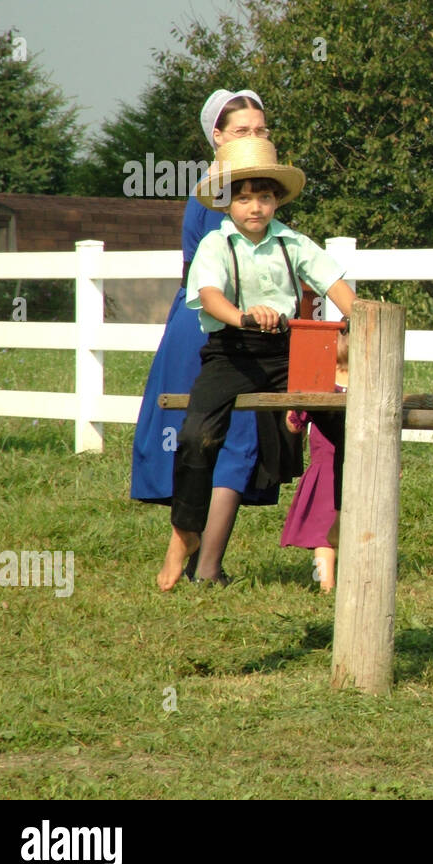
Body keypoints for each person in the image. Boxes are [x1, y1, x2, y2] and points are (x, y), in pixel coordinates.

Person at [156, 136, 356, 589]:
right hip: (232, 350)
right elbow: (208, 295)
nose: (255, 207)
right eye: (244, 198)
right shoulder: (215, 244)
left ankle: (345, 516)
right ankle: (185, 532)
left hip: (288, 350)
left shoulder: (293, 242)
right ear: (227, 203)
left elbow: (335, 283)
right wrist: (243, 316)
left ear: (277, 201)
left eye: (264, 197)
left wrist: (358, 315)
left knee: (348, 425)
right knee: (195, 435)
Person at [134, 89, 275, 583]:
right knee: (234, 438)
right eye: (241, 131)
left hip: (203, 319)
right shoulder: (223, 191)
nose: (253, 137)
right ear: (217, 136)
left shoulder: (230, 185)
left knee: (212, 436)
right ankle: (206, 566)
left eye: (260, 130)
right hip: (217, 323)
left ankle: (198, 559)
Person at [281, 330, 348, 592]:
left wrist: (294, 407)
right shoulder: (367, 386)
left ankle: (326, 583)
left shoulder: (320, 386)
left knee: (323, 534)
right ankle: (349, 579)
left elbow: (294, 426)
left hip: (325, 467)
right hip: (357, 467)